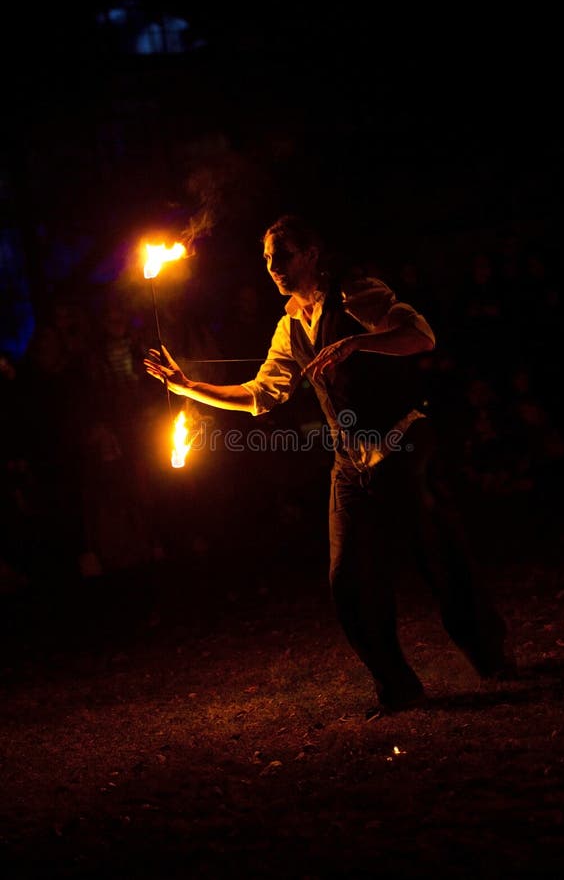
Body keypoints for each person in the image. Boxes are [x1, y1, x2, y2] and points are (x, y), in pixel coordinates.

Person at [144, 214, 516, 720]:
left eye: (283, 255)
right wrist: (185, 386)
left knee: (436, 554)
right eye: (268, 259)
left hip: (402, 439)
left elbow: (421, 335)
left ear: (311, 254)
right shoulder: (290, 325)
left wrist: (358, 341)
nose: (272, 266)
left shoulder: (355, 293)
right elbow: (261, 394)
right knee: (348, 579)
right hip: (350, 459)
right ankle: (398, 688)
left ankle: (490, 654)